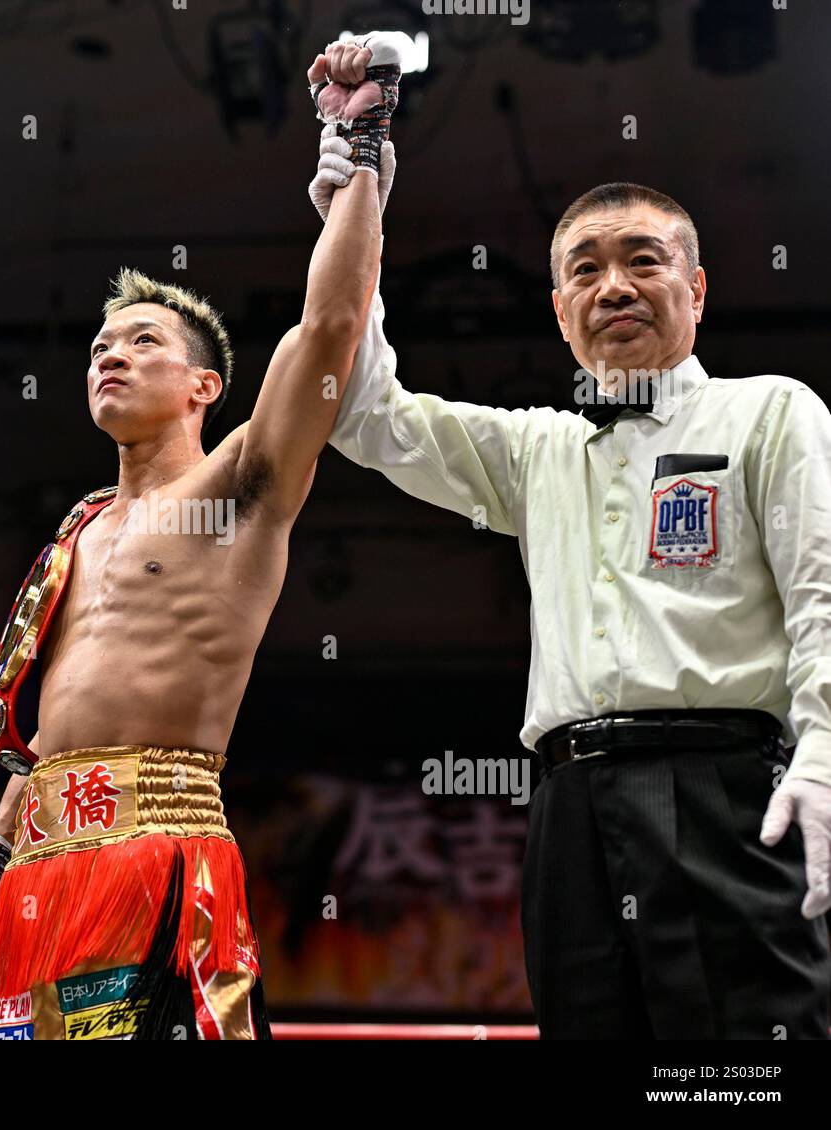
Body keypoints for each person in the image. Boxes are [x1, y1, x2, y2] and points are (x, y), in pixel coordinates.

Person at [0, 34, 402, 1040]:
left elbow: (330, 329)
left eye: (141, 341)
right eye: (97, 344)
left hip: (159, 854)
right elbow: (49, 740)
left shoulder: (238, 492)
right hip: (39, 869)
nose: (109, 355)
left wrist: (359, 150)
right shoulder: (76, 532)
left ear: (203, 386)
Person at [316, 163, 831, 1038]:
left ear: (696, 291)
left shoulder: (770, 412)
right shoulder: (538, 448)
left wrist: (823, 757)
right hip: (568, 808)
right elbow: (366, 416)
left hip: (727, 790)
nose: (614, 286)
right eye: (585, 270)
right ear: (559, 311)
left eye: (643, 261)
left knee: (743, 1074)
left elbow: (824, 598)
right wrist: (354, 209)